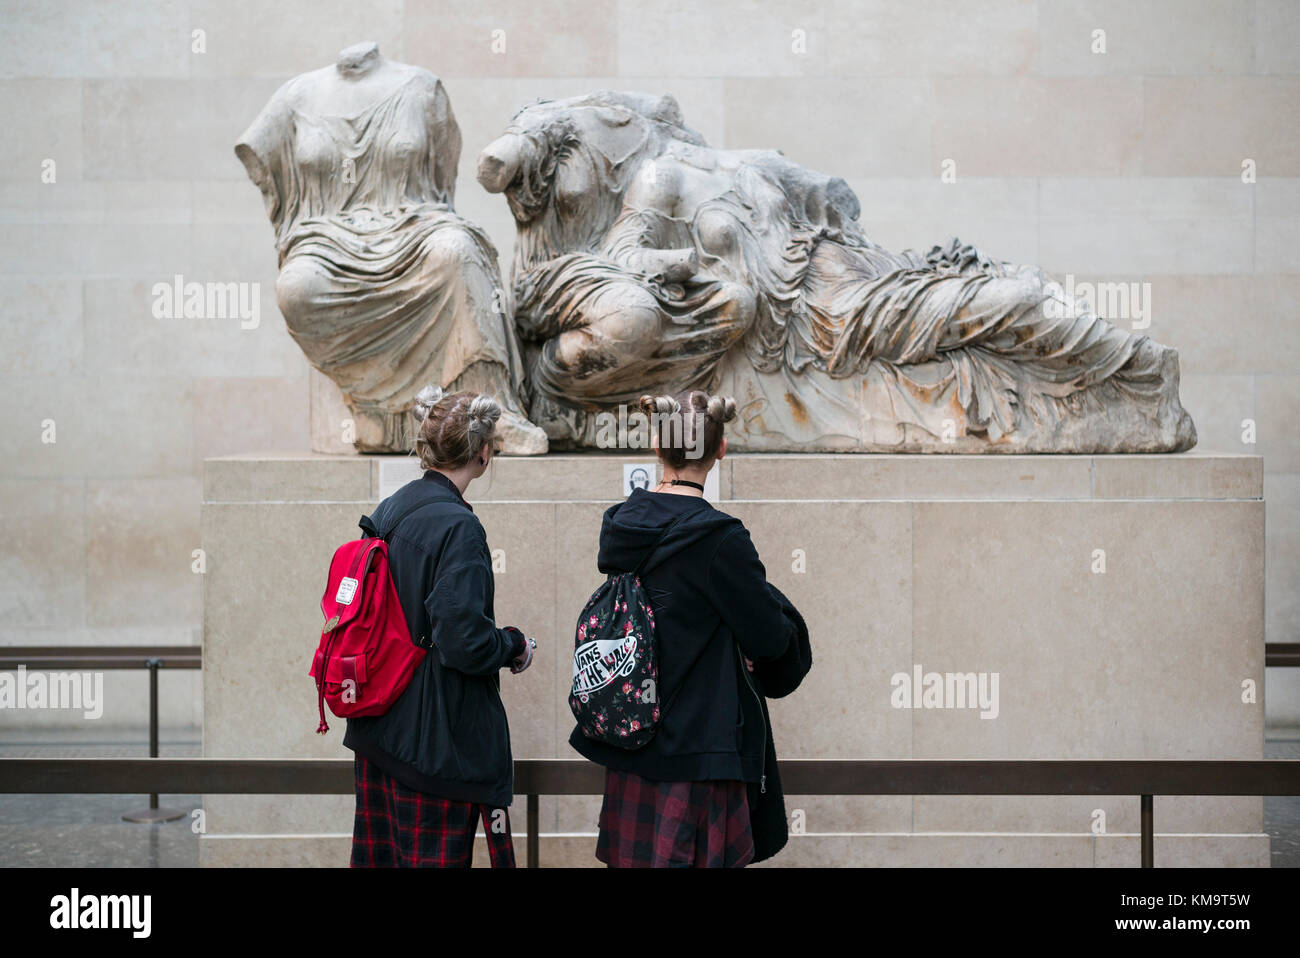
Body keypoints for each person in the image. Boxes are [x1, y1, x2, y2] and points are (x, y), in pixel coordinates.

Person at [569, 389, 808, 867]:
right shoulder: (719, 539)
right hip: (698, 755)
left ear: (657, 446)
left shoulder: (623, 529)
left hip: (632, 746)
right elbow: (773, 641)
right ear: (720, 449)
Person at [344, 387, 536, 867]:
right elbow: (464, 642)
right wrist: (513, 644)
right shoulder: (459, 528)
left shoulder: (391, 508)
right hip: (433, 746)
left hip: (377, 729)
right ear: (484, 453)